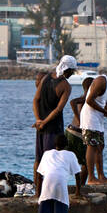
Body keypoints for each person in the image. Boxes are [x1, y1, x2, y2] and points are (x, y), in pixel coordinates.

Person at [33, 56, 77, 194]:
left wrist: (38, 120)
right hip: (53, 128)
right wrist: (45, 122)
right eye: (72, 71)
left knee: (38, 160)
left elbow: (35, 100)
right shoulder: (66, 87)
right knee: (51, 162)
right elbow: (58, 110)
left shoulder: (45, 78)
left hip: (40, 128)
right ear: (68, 70)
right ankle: (49, 192)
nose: (73, 74)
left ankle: (37, 191)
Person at [65, 76, 93, 192]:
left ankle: (78, 186)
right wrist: (79, 119)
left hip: (70, 131)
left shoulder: (86, 97)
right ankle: (81, 187)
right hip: (77, 133)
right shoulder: (87, 97)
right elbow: (72, 102)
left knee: (66, 160)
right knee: (87, 163)